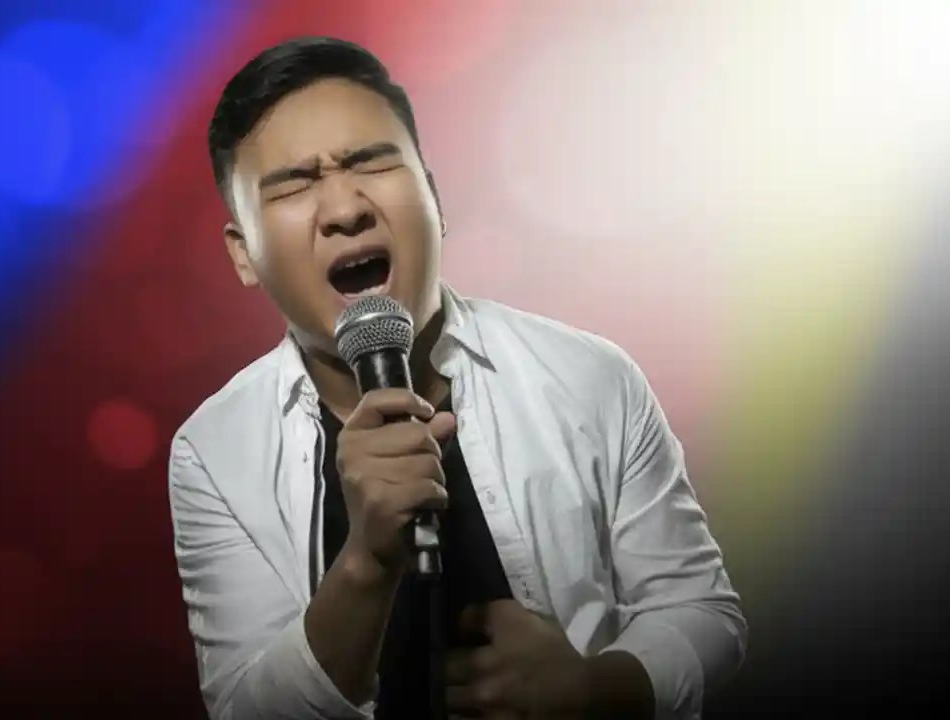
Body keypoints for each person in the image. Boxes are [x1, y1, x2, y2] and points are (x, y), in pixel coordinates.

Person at [168, 36, 746, 719]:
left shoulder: (590, 377)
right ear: (244, 253)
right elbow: (244, 709)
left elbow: (702, 611)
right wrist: (367, 559)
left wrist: (597, 690)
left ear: (435, 198)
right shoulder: (213, 452)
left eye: (372, 163)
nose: (345, 209)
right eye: (294, 185)